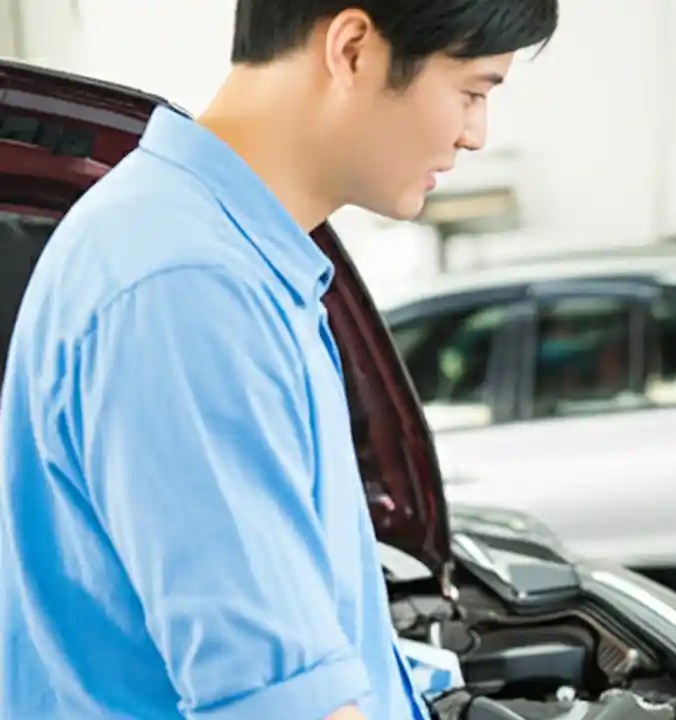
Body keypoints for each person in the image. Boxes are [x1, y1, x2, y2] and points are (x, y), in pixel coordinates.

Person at [0, 1, 555, 718]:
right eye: (472, 92)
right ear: (353, 48)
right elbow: (279, 703)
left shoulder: (214, 253)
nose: (475, 134)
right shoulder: (188, 286)